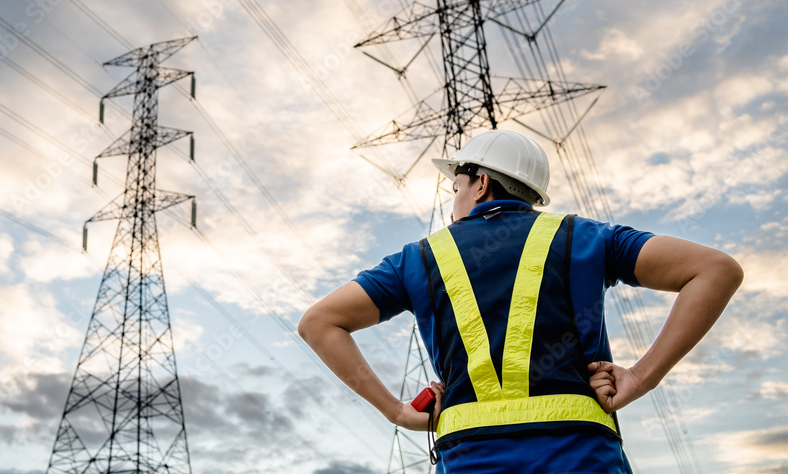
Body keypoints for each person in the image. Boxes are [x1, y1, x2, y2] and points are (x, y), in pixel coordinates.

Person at [298, 130, 742, 473]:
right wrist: (642, 378)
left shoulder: (418, 259)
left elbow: (319, 323)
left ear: (481, 183)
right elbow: (716, 270)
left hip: (473, 458)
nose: (453, 202)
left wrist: (397, 411)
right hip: (581, 455)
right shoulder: (585, 238)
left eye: (456, 188)